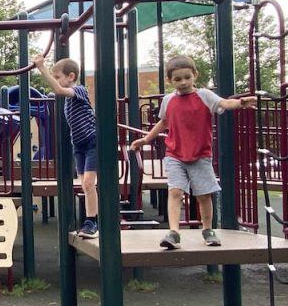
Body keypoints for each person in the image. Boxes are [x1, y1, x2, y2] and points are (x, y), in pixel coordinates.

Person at [130, 55, 256, 249]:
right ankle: (173, 232)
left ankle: (208, 229)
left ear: (194, 75)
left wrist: (240, 103)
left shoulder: (204, 95)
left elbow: (223, 103)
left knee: (204, 195)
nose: (183, 83)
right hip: (175, 154)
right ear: (170, 80)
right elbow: (164, 122)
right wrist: (147, 139)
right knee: (175, 191)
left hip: (200, 155)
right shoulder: (168, 100)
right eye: (178, 79)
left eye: (187, 77)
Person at [31, 54, 99, 238]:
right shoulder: (69, 98)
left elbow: (60, 90)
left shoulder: (80, 90)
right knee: (85, 186)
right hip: (79, 145)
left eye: (58, 76)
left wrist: (42, 68)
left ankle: (92, 221)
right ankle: (91, 221)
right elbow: (59, 90)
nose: (56, 81)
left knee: (88, 183)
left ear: (71, 76)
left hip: (93, 141)